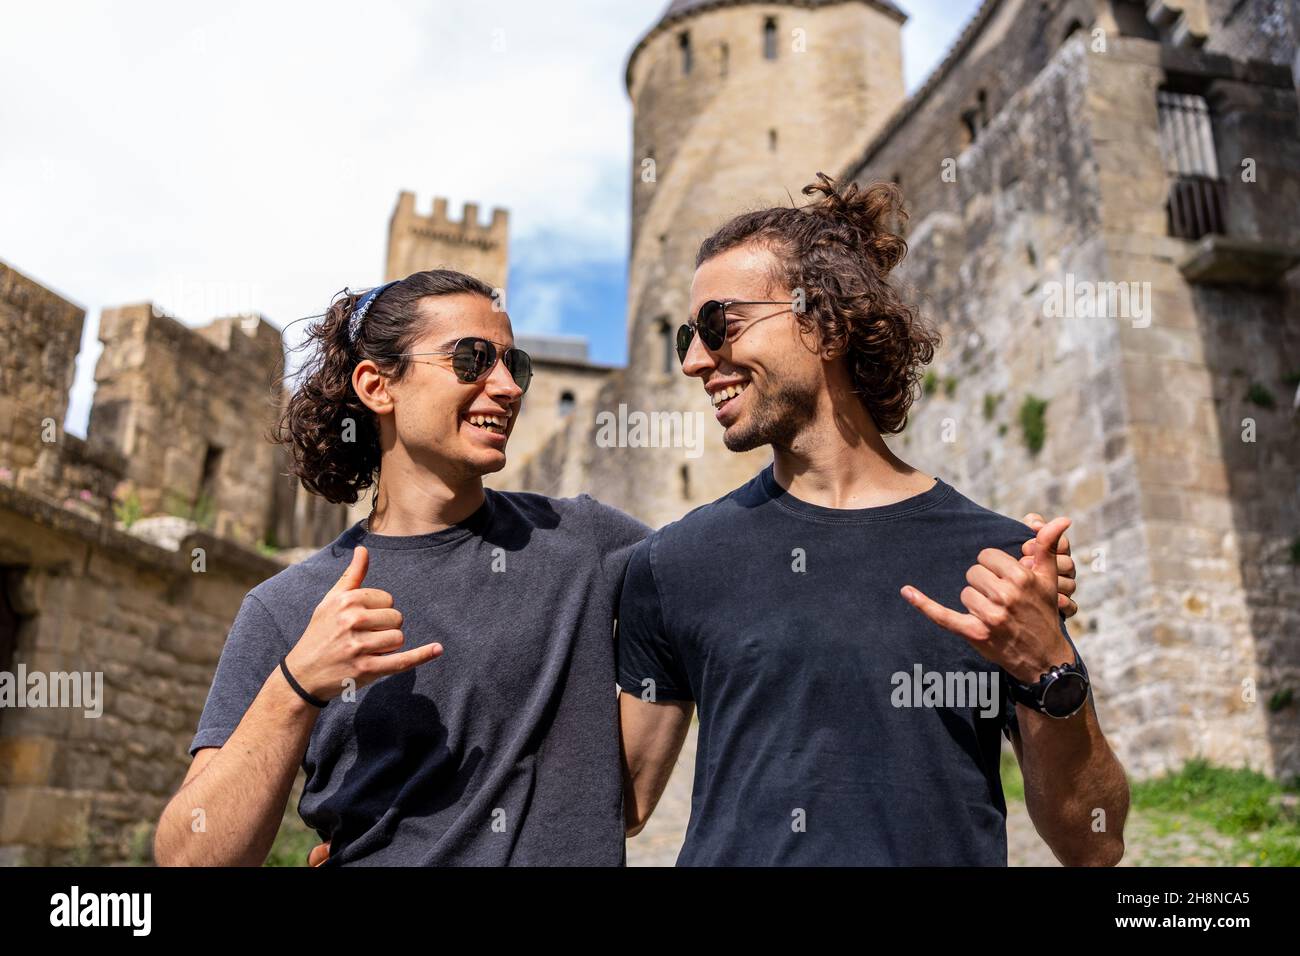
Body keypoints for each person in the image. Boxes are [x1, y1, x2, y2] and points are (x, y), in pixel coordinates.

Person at [616, 175, 1128, 866]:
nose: (693, 360)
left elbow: (1093, 843)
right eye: (688, 334)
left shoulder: (996, 562)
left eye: (719, 324)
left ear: (823, 321)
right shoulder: (673, 564)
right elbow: (622, 802)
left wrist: (1052, 670)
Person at [154, 270, 648, 865]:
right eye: (471, 359)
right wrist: (297, 685)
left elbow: (723, 590)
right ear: (378, 386)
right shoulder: (285, 606)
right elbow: (190, 857)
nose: (508, 387)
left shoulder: (585, 541)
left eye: (514, 366)